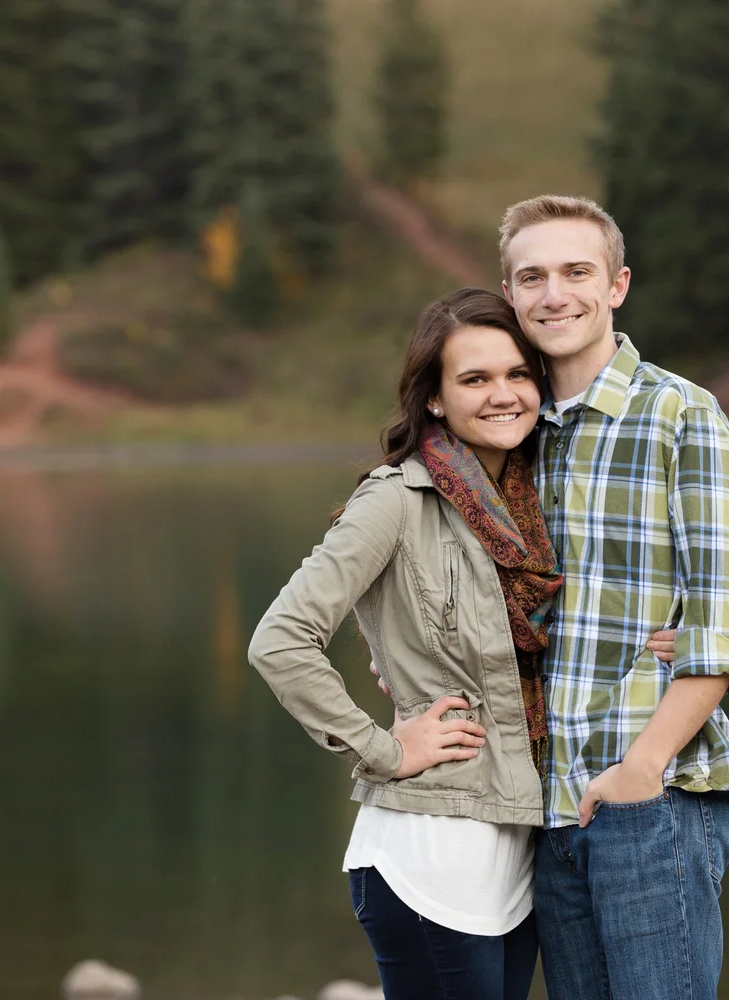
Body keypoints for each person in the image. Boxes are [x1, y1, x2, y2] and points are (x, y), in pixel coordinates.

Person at [247, 288, 558, 1000]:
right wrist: (384, 750)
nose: (503, 394)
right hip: (430, 854)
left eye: (517, 374)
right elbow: (281, 640)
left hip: (516, 847)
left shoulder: (533, 507)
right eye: (474, 379)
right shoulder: (395, 499)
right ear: (437, 400)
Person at [498, 194, 729, 1000]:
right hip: (549, 810)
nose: (554, 294)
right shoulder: (515, 430)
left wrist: (643, 767)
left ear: (616, 285)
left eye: (576, 272)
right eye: (532, 277)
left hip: (650, 792)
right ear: (510, 294)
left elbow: (728, 614)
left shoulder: (677, 411)